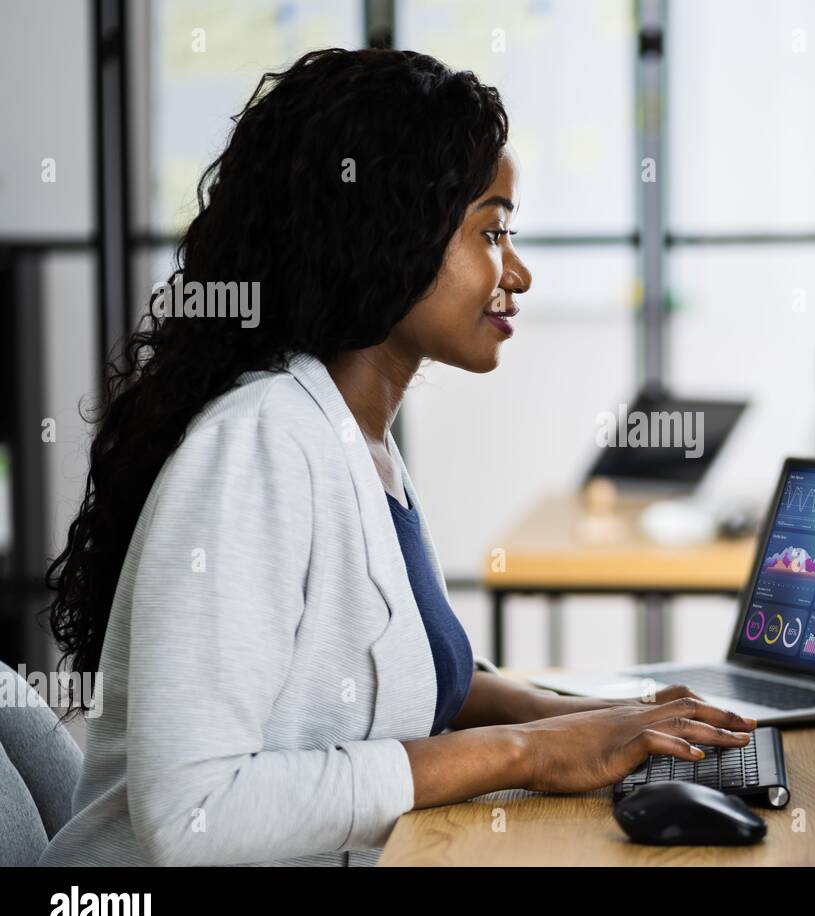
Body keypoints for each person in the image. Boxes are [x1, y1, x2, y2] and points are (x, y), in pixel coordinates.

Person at [40, 48, 754, 867]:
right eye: (490, 231)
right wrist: (528, 752)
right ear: (389, 233)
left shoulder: (355, 440)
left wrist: (590, 717)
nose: (515, 271)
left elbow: (418, 676)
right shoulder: (263, 444)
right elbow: (194, 815)